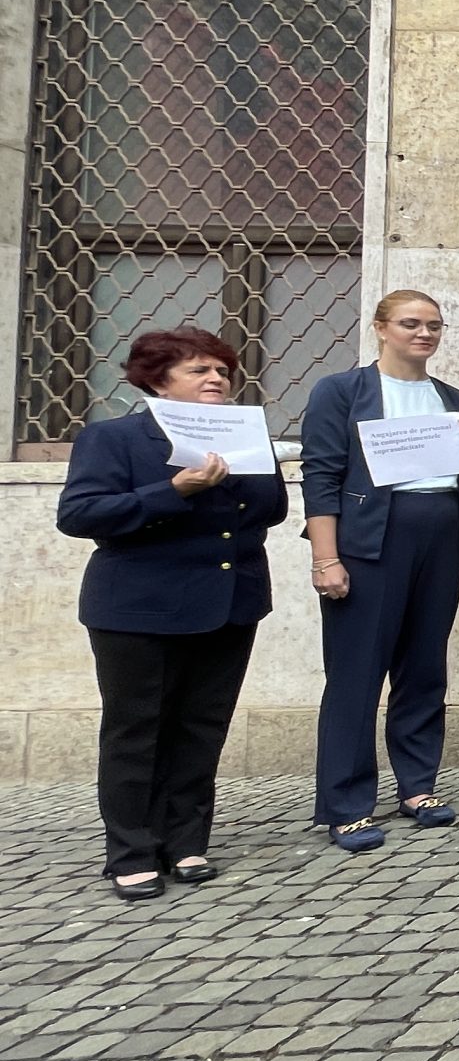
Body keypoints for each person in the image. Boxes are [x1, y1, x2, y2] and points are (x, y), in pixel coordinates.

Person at [57, 329, 290, 899]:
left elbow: (274, 510)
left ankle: (185, 841)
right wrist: (175, 490)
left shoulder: (246, 436)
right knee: (136, 731)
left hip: (229, 604)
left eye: (222, 371)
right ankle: (131, 852)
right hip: (138, 609)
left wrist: (242, 470)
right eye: (199, 370)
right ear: (158, 381)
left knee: (201, 727)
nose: (216, 379)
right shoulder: (114, 438)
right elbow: (80, 514)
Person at [303, 289, 459, 853]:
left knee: (424, 666)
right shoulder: (342, 390)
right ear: (381, 328)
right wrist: (325, 558)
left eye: (434, 325)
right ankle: (347, 804)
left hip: (441, 536)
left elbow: (452, 477)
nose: (424, 334)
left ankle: (417, 786)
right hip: (369, 540)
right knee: (356, 673)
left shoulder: (451, 396)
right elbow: (321, 476)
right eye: (411, 323)